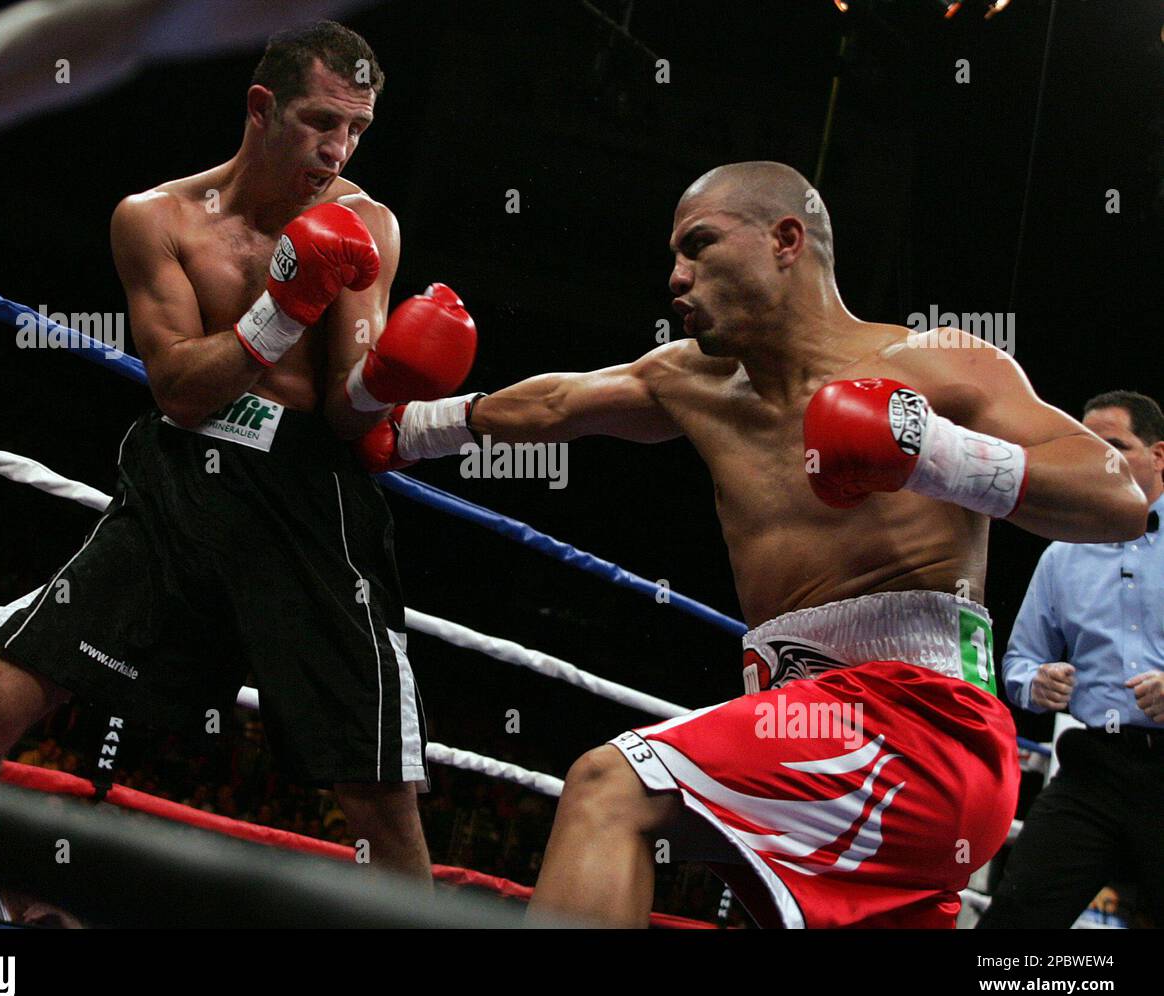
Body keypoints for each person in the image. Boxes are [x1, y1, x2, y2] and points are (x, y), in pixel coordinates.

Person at [357, 161, 1149, 927]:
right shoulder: (693, 381)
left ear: (785, 239)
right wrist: (407, 426)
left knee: (609, 787)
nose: (675, 276)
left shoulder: (935, 362)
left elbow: (1118, 496)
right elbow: (562, 401)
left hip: (922, 721)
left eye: (697, 245)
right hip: (807, 729)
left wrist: (933, 452)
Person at [0, 22, 475, 929]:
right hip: (179, 485)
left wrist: (390, 382)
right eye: (319, 123)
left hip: (311, 509)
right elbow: (181, 390)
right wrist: (287, 303)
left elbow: (346, 416)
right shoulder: (155, 220)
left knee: (381, 797)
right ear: (261, 109)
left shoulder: (366, 225)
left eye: (355, 130)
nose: (336, 149)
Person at [978, 390, 1163, 928]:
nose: (1098, 459)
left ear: (1158, 455)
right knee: (1013, 925)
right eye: (1087, 446)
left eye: (1115, 446)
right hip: (1094, 773)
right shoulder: (1062, 553)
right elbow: (1018, 661)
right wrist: (1035, 682)